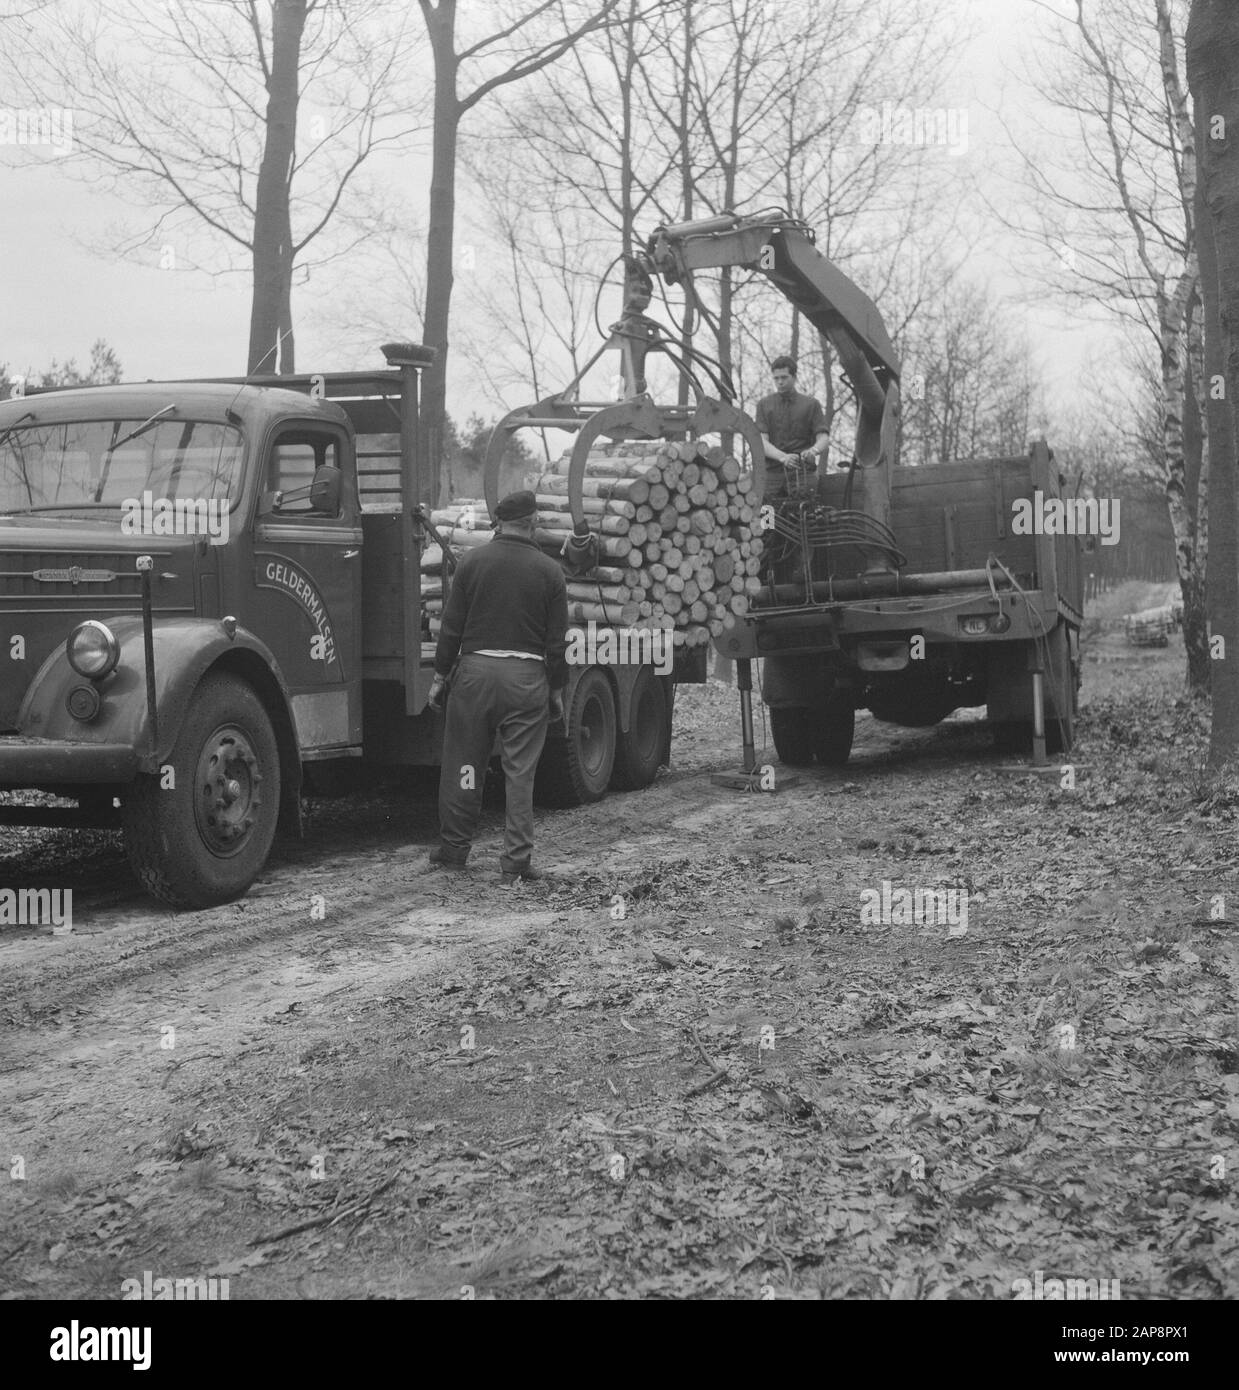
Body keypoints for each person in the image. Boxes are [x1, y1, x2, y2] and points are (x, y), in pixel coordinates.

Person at [427, 490, 569, 883]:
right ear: (532, 522)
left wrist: (440, 677)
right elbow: (557, 644)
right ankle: (515, 863)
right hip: (525, 680)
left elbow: (451, 627)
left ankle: (454, 851)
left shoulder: (472, 563)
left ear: (499, 523)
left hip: (474, 678)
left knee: (466, 765)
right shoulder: (549, 571)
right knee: (519, 773)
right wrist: (556, 690)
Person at [754, 355, 830, 500]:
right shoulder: (764, 405)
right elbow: (761, 441)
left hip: (802, 474)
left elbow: (823, 437)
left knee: (804, 516)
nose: (780, 382)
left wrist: (813, 451)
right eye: (776, 378)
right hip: (771, 474)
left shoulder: (811, 404)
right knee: (767, 518)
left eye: (784, 377)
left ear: (794, 377)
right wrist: (783, 457)